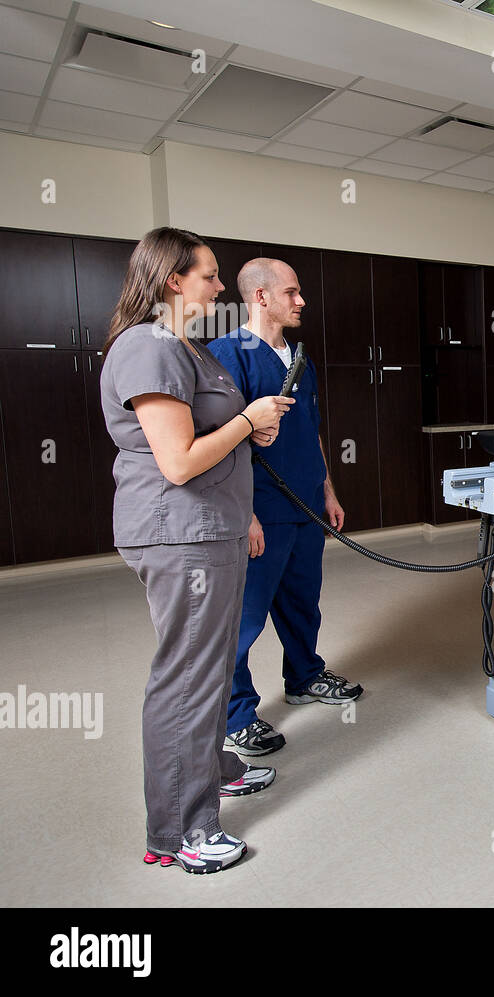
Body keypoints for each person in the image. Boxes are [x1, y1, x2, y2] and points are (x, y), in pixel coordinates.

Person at [100, 227, 292, 874]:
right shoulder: (147, 346)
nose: (219, 286)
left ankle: (212, 769)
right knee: (187, 676)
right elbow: (178, 462)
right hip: (181, 532)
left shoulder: (190, 348)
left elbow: (217, 433)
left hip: (214, 527)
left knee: (207, 668)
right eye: (209, 275)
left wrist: (253, 430)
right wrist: (247, 420)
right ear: (173, 280)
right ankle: (182, 827)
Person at [208, 259, 360, 758]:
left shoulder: (300, 358)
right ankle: (235, 717)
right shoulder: (225, 356)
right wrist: (243, 513)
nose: (301, 301)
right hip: (260, 509)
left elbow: (310, 430)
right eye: (292, 293)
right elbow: (221, 443)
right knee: (243, 618)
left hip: (305, 502)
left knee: (301, 601)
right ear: (261, 297)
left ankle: (305, 676)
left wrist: (328, 491)